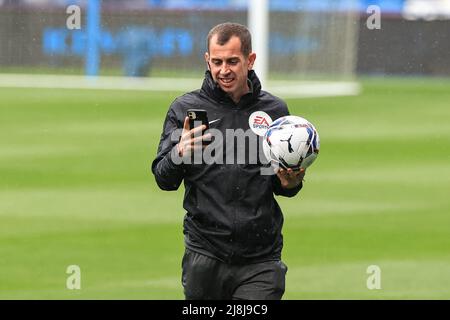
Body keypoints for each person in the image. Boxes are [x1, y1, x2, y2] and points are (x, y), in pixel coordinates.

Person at [151, 22, 305, 300]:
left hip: (261, 258)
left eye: (233, 61)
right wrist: (179, 152)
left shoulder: (274, 110)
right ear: (207, 60)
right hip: (205, 253)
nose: (224, 70)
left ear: (250, 60)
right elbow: (164, 179)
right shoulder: (186, 109)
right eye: (217, 61)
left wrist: (291, 183)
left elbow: (279, 182)